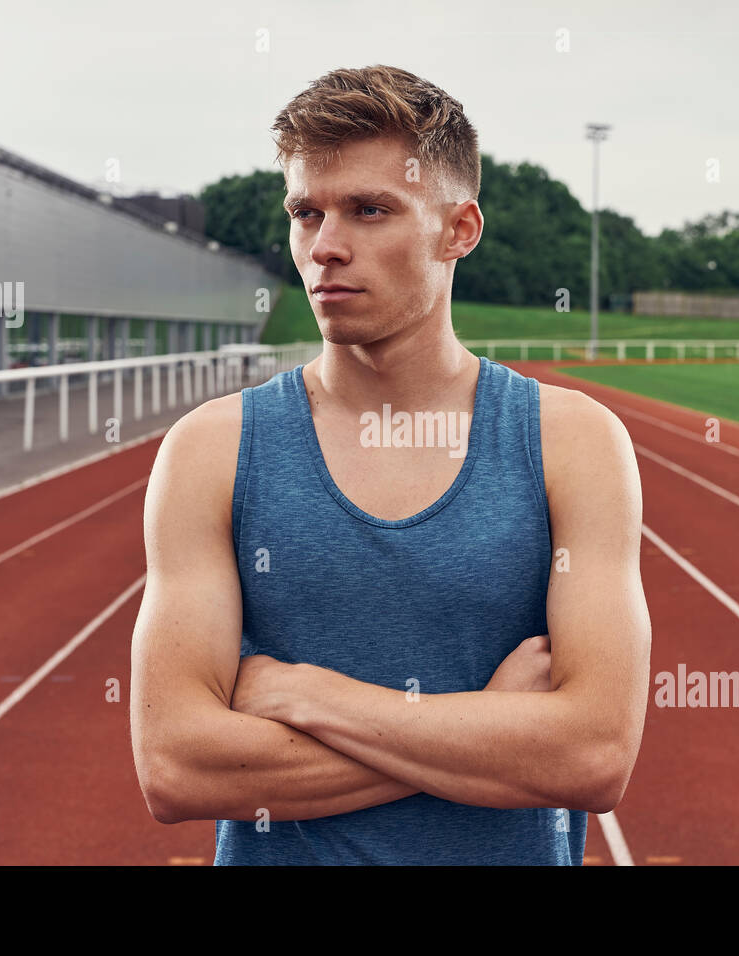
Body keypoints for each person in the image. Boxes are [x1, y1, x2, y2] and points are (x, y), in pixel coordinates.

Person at [129, 65, 651, 865]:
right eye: (307, 212)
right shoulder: (212, 450)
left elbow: (592, 756)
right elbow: (176, 767)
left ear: (459, 229)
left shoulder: (571, 443)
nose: (326, 247)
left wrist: (312, 696)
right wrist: (483, 731)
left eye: (370, 210)